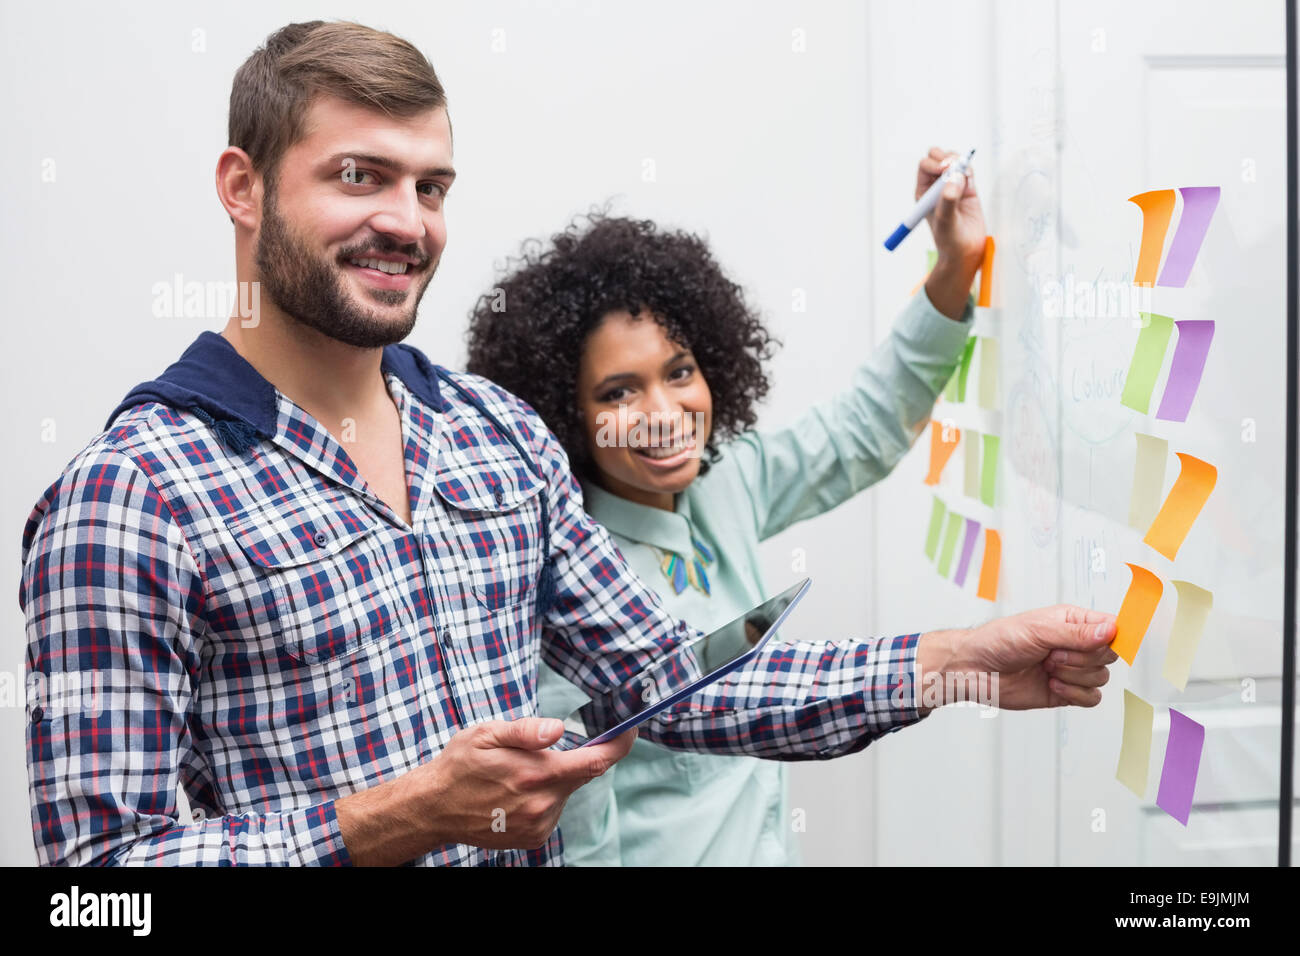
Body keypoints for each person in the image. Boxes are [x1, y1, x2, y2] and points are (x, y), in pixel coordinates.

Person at [20, 19, 1118, 868]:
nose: (406, 220)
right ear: (242, 188)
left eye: (430, 185)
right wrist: (385, 820)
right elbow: (99, 890)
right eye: (358, 175)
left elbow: (676, 686)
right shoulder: (131, 499)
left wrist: (956, 662)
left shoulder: (495, 438)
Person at [462, 187, 1096, 864]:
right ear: (567, 414)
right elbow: (578, 831)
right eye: (618, 391)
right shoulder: (570, 588)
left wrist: (955, 265)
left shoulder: (729, 481)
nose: (664, 410)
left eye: (680, 372)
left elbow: (864, 427)